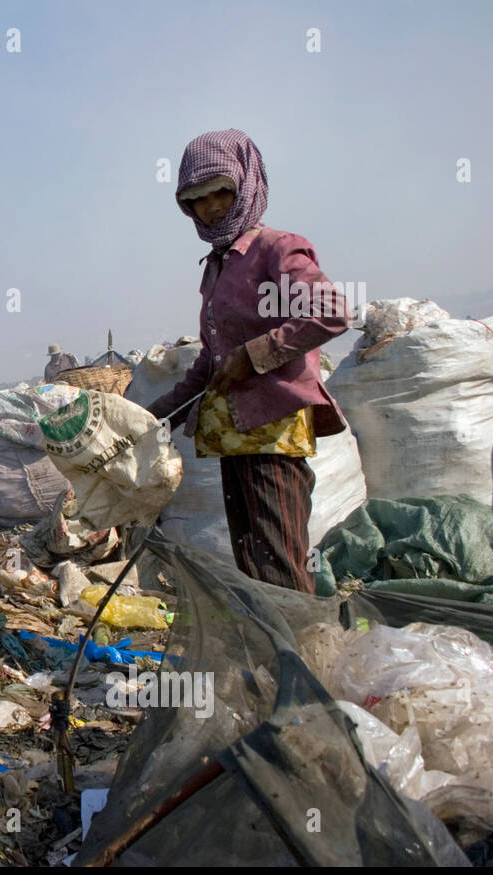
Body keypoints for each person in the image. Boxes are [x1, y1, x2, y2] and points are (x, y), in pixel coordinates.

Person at [142, 129, 353, 594]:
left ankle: (299, 659)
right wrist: (153, 416)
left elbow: (331, 312)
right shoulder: (217, 267)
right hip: (233, 434)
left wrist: (255, 355)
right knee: (252, 562)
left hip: (273, 427)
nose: (212, 207)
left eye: (221, 191)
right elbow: (210, 366)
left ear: (246, 184)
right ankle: (271, 657)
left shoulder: (275, 250)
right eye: (197, 199)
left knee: (279, 564)